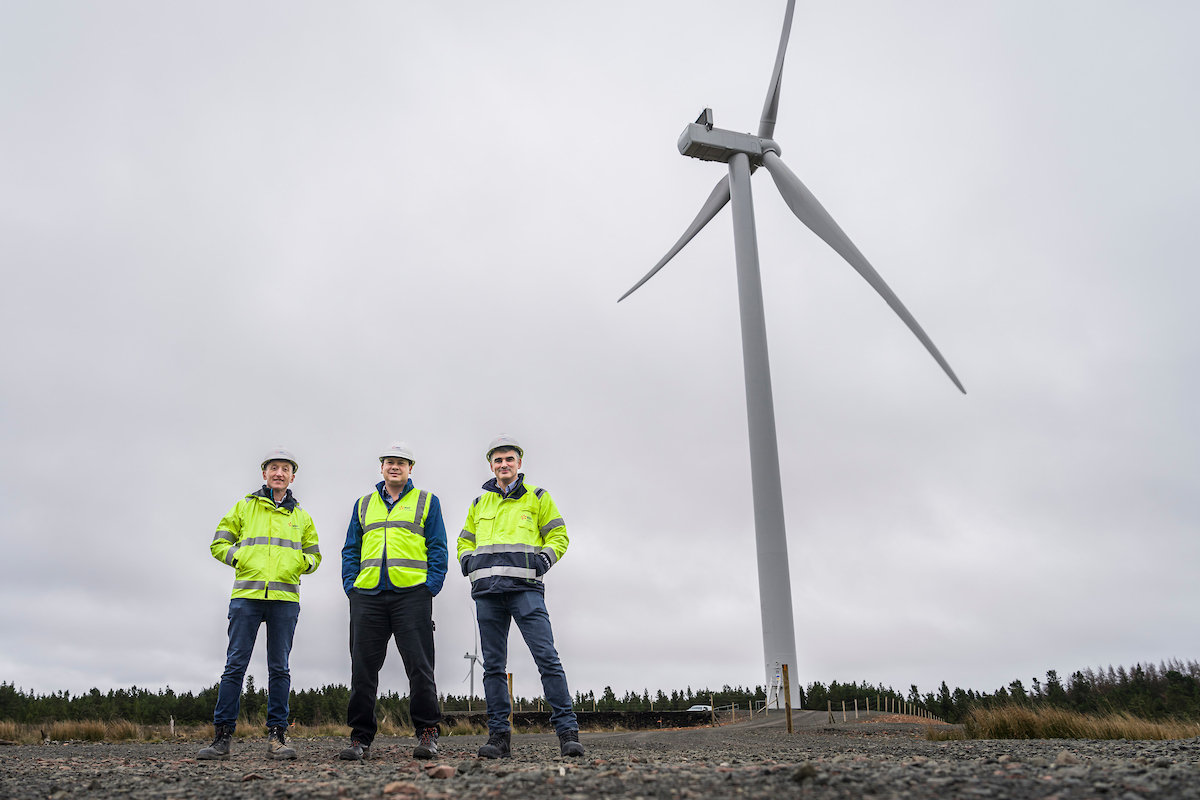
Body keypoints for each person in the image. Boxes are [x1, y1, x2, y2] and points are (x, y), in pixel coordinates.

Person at [457, 435, 584, 759]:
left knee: (547, 659)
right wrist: (466, 561)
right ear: (491, 465)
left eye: (509, 459)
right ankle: (499, 737)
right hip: (487, 592)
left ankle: (568, 733)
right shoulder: (478, 504)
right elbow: (463, 541)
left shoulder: (538, 498)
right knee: (493, 667)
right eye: (498, 460)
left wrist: (544, 560)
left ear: (519, 463)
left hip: (526, 591)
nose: (503, 465)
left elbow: (559, 535)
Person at [198, 447, 321, 761]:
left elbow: (315, 556)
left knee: (279, 669)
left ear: (293, 476)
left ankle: (277, 737)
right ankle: (222, 738)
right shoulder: (244, 507)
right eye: (273, 468)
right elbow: (218, 543)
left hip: (285, 600)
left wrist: (300, 563)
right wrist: (239, 557)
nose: (279, 473)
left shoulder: (302, 516)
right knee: (234, 667)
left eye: (285, 469)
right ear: (264, 473)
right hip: (246, 597)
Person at [339, 442, 448, 761]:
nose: (394, 466)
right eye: (389, 461)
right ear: (382, 467)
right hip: (367, 596)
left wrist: (431, 586)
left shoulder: (427, 502)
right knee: (362, 670)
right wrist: (351, 587)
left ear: (410, 468)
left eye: (401, 462)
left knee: (420, 667)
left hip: (412, 595)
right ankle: (360, 738)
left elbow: (437, 547)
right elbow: (350, 549)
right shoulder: (363, 504)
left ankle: (428, 734)